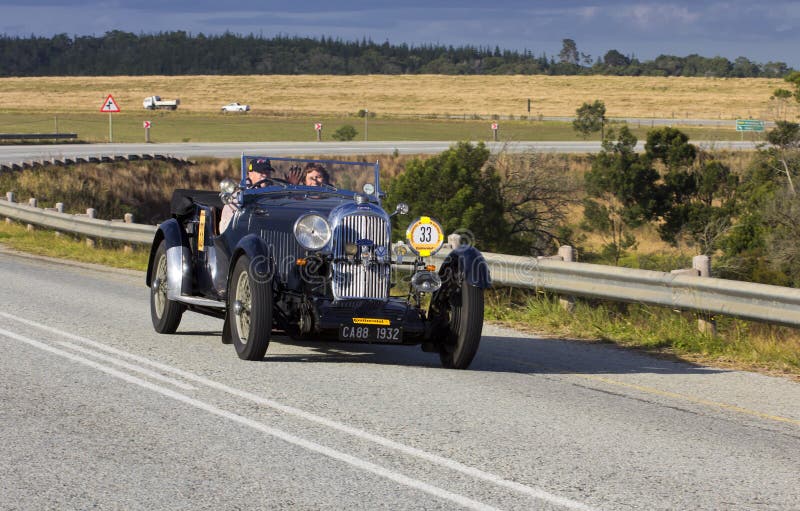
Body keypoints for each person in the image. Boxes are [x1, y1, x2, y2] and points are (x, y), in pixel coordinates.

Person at [219, 158, 274, 232]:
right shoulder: (238, 197)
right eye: (260, 172)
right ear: (250, 174)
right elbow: (226, 229)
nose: (265, 175)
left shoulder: (275, 191)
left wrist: (290, 185)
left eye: (267, 172)